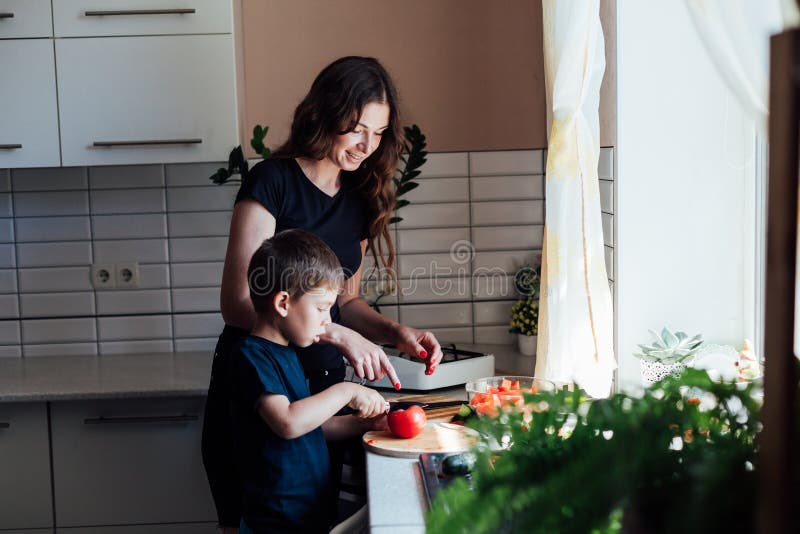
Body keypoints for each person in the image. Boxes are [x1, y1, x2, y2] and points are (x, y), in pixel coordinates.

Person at [202, 55, 445, 532]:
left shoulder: (359, 196)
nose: (367, 146)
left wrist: (394, 332)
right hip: (264, 390)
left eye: (378, 133)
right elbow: (238, 302)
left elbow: (346, 301)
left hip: (322, 405)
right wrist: (337, 335)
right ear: (325, 114)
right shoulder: (272, 181)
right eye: (356, 129)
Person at [232, 229, 387, 533]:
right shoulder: (251, 356)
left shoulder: (289, 353)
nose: (327, 320)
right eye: (320, 308)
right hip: (275, 521)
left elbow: (308, 427)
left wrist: (362, 425)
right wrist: (346, 391)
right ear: (283, 303)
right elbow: (288, 423)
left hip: (307, 513)